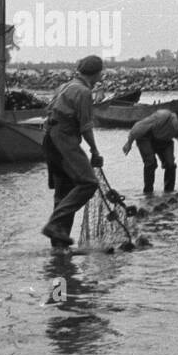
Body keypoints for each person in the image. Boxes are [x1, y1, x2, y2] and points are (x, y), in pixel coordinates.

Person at [41, 55, 105, 249]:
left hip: (50, 140)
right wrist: (94, 151)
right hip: (63, 139)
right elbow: (86, 127)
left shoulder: (65, 86)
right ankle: (54, 224)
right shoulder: (84, 92)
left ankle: (59, 247)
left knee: (64, 192)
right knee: (88, 183)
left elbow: (48, 112)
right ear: (98, 74)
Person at [122, 108, 178, 194]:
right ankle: (148, 192)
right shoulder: (162, 116)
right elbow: (138, 127)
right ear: (174, 117)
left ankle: (168, 192)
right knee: (151, 163)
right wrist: (129, 142)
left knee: (170, 165)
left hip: (164, 141)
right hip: (146, 138)